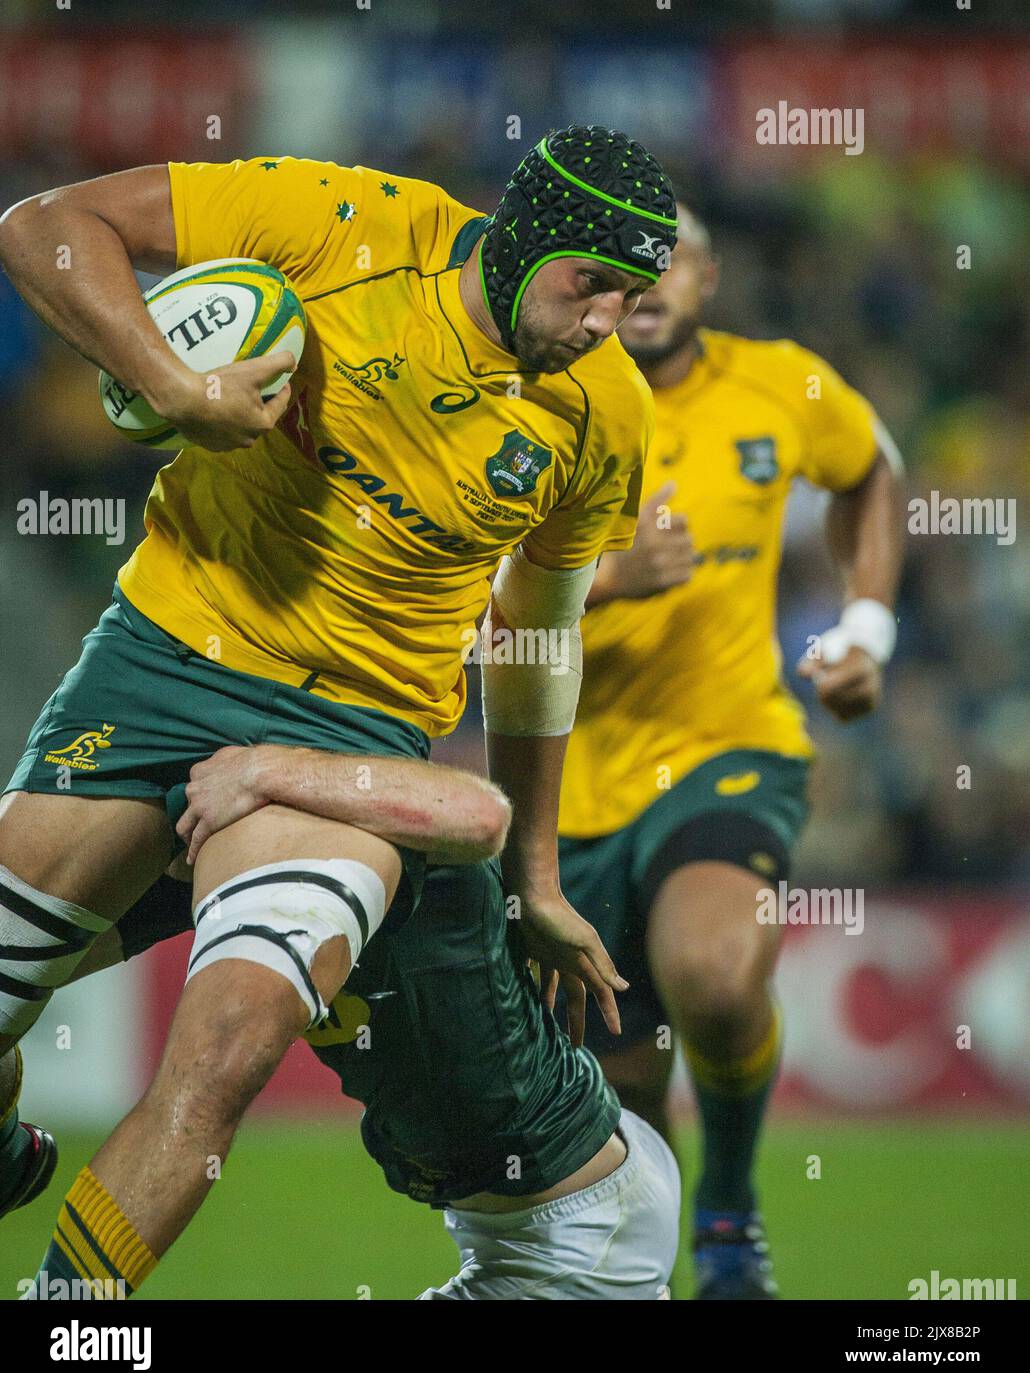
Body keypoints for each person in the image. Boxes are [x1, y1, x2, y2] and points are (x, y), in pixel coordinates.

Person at [0, 127, 677, 1299]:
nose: (606, 320)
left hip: (350, 733)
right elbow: (40, 226)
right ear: (521, 243)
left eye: (632, 294)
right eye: (591, 283)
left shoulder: (600, 415)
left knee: (226, 1042)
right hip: (161, 658)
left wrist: (540, 873)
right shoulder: (340, 222)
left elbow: (539, 629)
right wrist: (176, 388)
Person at [556, 206, 905, 1299]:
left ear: (710, 277)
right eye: (625, 261)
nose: (650, 275)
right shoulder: (537, 397)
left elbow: (871, 474)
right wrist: (606, 580)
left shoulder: (783, 383)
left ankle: (733, 1205)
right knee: (623, 1081)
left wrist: (865, 630)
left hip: (731, 745)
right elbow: (462, 614)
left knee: (711, 972)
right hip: (565, 786)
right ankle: (648, 1255)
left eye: (674, 257)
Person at [37, 742, 681, 1301]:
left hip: (581, 1235)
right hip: (529, 1221)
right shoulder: (220, 843)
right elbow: (42, 956)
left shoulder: (387, 809)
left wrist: (264, 770)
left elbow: (481, 811)